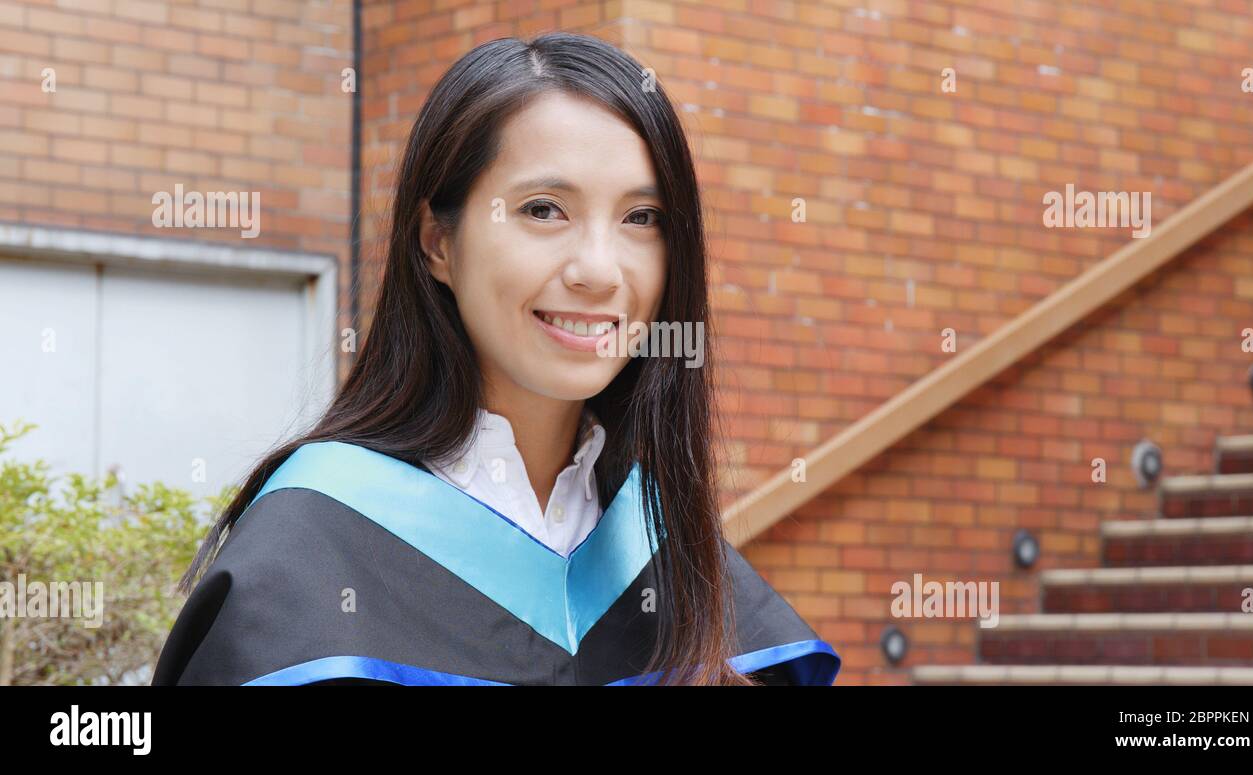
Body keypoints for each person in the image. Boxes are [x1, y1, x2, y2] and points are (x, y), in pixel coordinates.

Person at [151, 31, 840, 686]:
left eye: (641, 218)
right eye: (544, 209)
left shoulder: (670, 550)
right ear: (437, 243)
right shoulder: (314, 544)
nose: (599, 271)